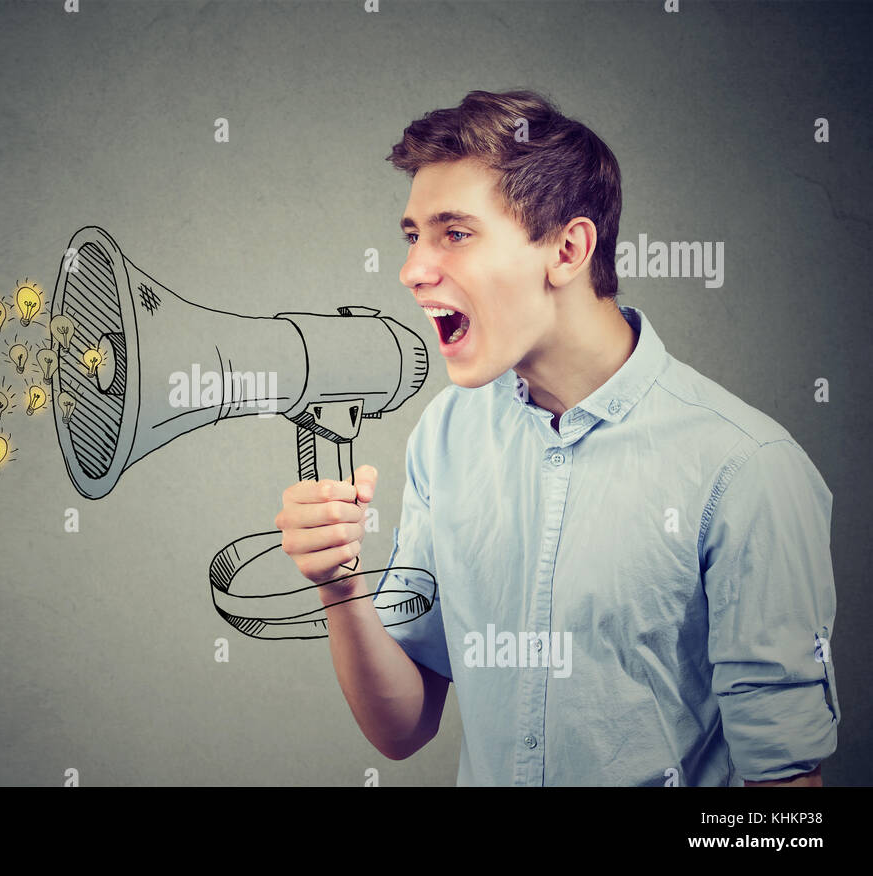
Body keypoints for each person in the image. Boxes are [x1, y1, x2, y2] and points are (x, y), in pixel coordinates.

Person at [274, 89, 839, 786]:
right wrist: (340, 585)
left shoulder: (748, 469)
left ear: (568, 248)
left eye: (455, 232)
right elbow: (402, 727)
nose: (413, 270)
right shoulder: (446, 433)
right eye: (413, 235)